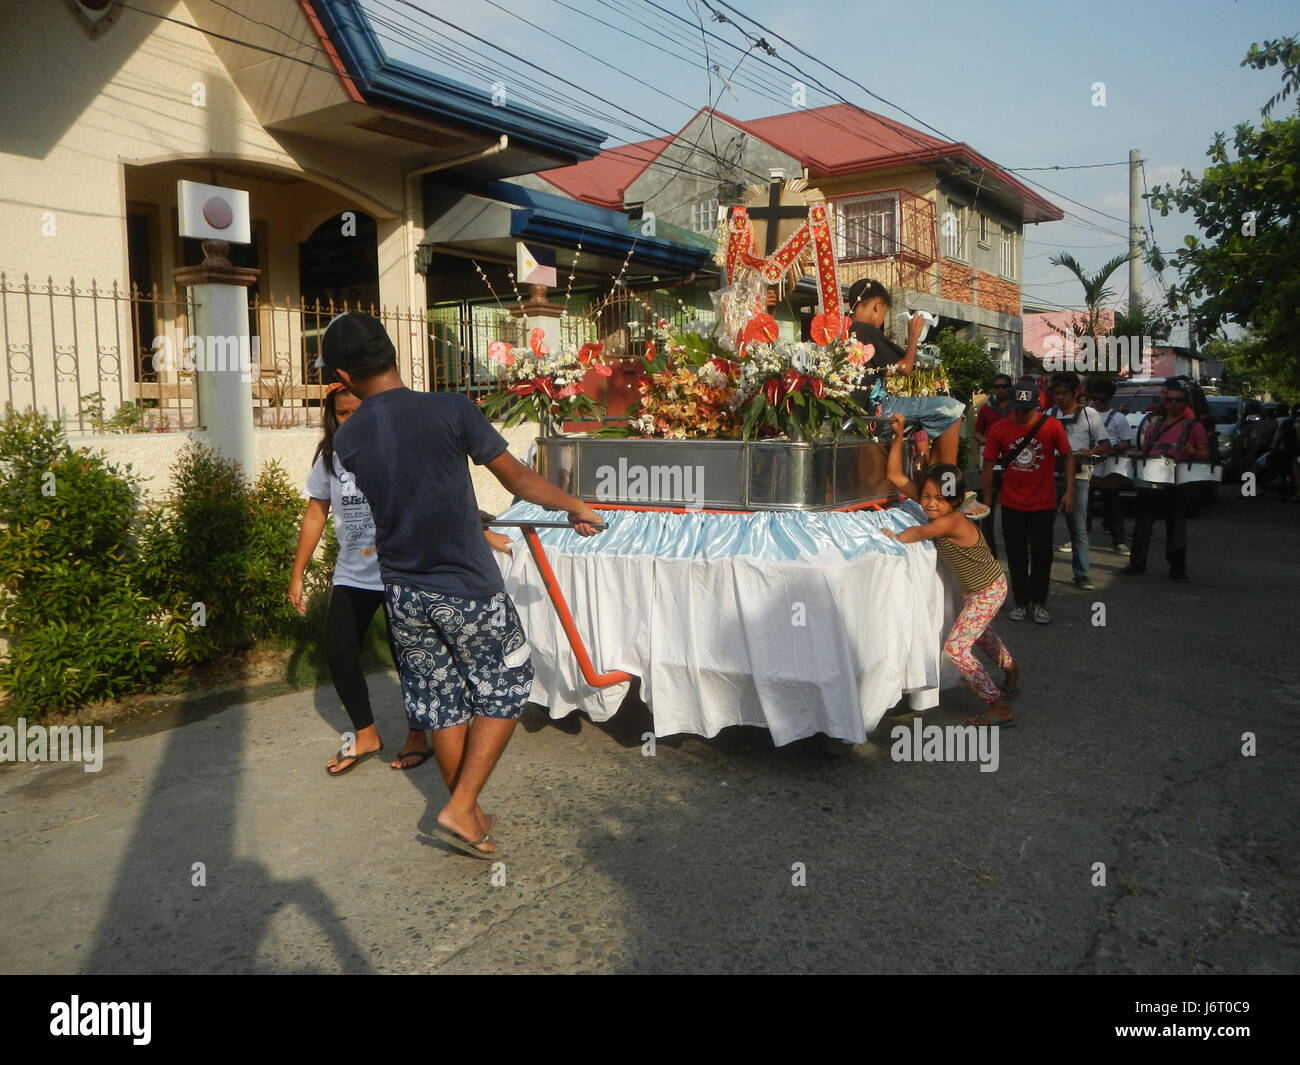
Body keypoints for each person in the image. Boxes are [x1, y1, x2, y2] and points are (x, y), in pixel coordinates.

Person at [318, 312, 603, 859]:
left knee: (441, 700)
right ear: (392, 352)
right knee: (511, 679)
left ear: (343, 375)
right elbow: (517, 479)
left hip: (402, 590)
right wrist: (574, 506)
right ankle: (461, 802)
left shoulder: (349, 437)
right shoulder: (450, 409)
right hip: (466, 583)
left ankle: (466, 816)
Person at [288, 383, 514, 776]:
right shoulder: (330, 459)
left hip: (403, 571)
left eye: (359, 410)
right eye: (343, 413)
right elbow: (314, 515)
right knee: (340, 653)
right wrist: (297, 574)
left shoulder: (399, 448)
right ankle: (365, 734)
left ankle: (416, 736)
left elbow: (442, 501)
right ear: (332, 417)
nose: (352, 419)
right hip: (354, 574)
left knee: (412, 660)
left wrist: (483, 534)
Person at [881, 413, 1019, 726]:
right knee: (982, 638)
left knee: (956, 648)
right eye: (925, 496)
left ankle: (997, 705)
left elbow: (918, 533)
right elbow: (895, 476)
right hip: (975, 590)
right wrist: (899, 436)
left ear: (956, 500)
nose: (929, 504)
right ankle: (1011, 669)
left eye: (938, 499)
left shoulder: (952, 520)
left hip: (987, 590)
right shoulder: (938, 505)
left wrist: (894, 538)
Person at [981, 377, 1074, 624]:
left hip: (1043, 503)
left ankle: (1039, 603)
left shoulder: (1052, 426)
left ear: (1035, 406)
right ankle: (1021, 602)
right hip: (1012, 503)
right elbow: (988, 465)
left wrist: (1069, 492)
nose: (1021, 414)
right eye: (1017, 409)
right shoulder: (999, 430)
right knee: (1016, 555)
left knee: (1042, 554)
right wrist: (988, 498)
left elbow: (1067, 458)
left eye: (1026, 409)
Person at [845, 279, 965, 466]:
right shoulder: (865, 329)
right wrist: (914, 336)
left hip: (860, 410)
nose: (881, 322)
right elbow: (905, 368)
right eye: (883, 315)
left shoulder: (844, 331)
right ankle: (945, 482)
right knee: (952, 410)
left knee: (927, 422)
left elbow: (887, 372)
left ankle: (932, 476)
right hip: (877, 412)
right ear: (877, 306)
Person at [1122, 380, 1208, 582]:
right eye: (1169, 399)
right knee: (1142, 525)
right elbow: (1145, 452)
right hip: (1151, 479)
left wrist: (1193, 452)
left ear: (1185, 403)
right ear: (1164, 401)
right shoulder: (1154, 425)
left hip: (1176, 482)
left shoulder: (1194, 426)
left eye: (1178, 400)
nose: (1173, 404)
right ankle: (1137, 564)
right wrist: (1132, 457)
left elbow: (1205, 455)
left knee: (1175, 526)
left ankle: (1177, 570)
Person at [1045, 372, 1110, 590]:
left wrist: (1090, 451)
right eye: (1056, 394)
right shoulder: (1048, 414)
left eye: (1064, 393)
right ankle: (1042, 571)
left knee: (1078, 528)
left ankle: (1081, 573)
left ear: (1075, 393)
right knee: (1045, 527)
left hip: (1080, 477)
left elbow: (1105, 444)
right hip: (1050, 477)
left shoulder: (1089, 414)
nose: (1060, 398)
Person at [1089, 378, 1133, 555]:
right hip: (1088, 463)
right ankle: (1077, 538)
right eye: (1095, 399)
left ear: (1109, 399)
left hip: (1108, 464)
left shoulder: (1119, 418)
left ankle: (1119, 541)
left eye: (1102, 400)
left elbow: (1126, 442)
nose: (1098, 403)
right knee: (1083, 504)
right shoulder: (1085, 414)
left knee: (1112, 504)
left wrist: (1112, 449)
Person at [974, 374, 1014, 559]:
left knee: (1012, 508)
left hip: (1012, 461)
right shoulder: (986, 409)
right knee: (988, 506)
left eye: (1004, 386)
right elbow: (977, 434)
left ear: (1010, 387)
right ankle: (991, 551)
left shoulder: (1017, 408)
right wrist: (990, 443)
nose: (1000, 390)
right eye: (997, 387)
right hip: (990, 461)